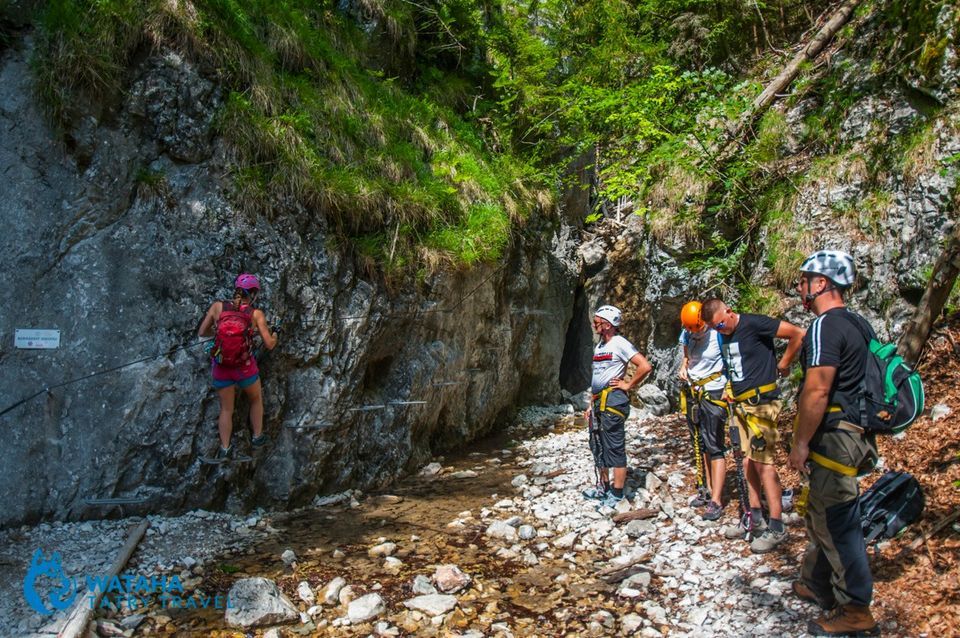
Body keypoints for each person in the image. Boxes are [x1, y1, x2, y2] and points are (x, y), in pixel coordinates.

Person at [787, 250, 880, 636]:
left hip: (836, 437)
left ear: (821, 283)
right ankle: (817, 583)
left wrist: (800, 442)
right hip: (855, 434)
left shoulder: (825, 326)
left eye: (805, 280)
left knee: (838, 521)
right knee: (822, 513)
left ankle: (855, 609)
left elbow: (817, 390)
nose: (800, 287)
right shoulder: (860, 325)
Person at [700, 297, 805, 553]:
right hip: (741, 405)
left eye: (721, 324)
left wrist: (783, 364)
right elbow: (734, 367)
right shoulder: (724, 335)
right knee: (746, 461)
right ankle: (754, 515)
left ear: (729, 311)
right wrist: (729, 387)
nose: (720, 330)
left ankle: (777, 525)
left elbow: (797, 334)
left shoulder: (755, 324)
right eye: (715, 328)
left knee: (763, 463)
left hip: (762, 403)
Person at [198, 273, 278, 460]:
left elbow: (202, 332)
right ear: (254, 294)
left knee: (226, 409)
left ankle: (225, 449)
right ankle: (257, 437)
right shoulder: (255, 314)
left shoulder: (218, 307)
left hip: (222, 368)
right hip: (245, 369)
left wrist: (219, 331)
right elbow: (269, 344)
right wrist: (275, 333)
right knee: (256, 399)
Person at [582, 305, 653, 510]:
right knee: (598, 444)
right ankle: (603, 486)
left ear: (607, 324)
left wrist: (628, 385)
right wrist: (590, 404)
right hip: (598, 401)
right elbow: (598, 377)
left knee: (614, 445)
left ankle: (617, 492)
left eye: (597, 322)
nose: (594, 325)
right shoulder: (600, 347)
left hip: (613, 401)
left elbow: (644, 366)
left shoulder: (619, 343)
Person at [677, 300, 728, 522]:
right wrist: (683, 366)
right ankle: (706, 487)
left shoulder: (718, 335)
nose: (693, 333)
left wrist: (729, 388)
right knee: (700, 441)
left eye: (696, 328)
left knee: (714, 444)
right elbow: (687, 355)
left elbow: (730, 362)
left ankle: (717, 499)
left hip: (714, 393)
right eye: (689, 329)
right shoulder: (687, 334)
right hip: (694, 392)